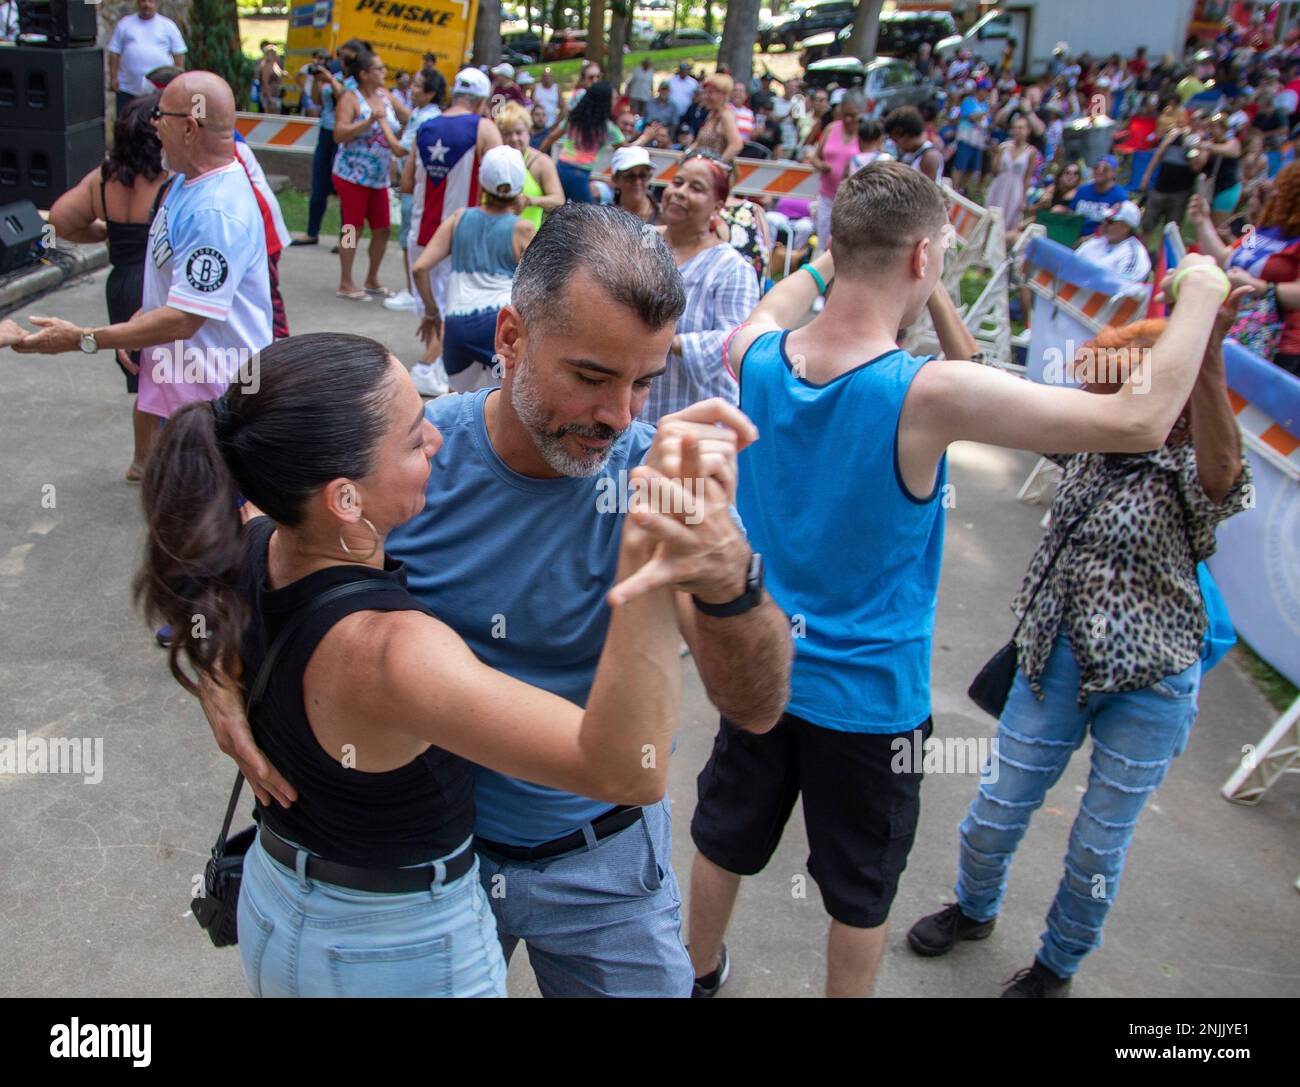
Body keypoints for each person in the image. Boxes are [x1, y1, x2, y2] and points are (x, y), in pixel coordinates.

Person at [195, 204, 793, 999]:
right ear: (510, 337)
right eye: (591, 376)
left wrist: (730, 579)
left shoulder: (660, 484)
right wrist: (213, 669)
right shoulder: (408, 460)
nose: (620, 416)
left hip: (604, 864)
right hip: (435, 874)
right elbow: (252, 538)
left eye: (644, 381)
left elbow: (756, 708)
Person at [685, 160, 1235, 999]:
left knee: (724, 837)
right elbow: (1138, 418)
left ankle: (696, 975)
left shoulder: (759, 357)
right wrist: (1200, 288)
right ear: (922, 258)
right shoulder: (924, 393)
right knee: (859, 893)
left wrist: (830, 259)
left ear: (838, 246)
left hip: (761, 674)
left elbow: (771, 308)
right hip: (869, 704)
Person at [135, 333, 692, 997]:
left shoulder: (256, 540)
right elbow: (629, 766)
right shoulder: (395, 656)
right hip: (394, 953)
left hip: (281, 899)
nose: (437, 439)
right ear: (345, 499)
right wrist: (657, 565)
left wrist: (215, 674)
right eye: (411, 436)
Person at [907, 306, 1250, 998]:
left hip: (1152, 679)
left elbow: (1223, 475)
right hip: (1054, 658)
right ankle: (974, 908)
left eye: (1123, 391)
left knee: (1097, 843)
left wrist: (1207, 352)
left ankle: (1056, 965)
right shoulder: (1089, 440)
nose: (1104, 403)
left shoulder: (1190, 459)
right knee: (993, 812)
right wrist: (939, 294)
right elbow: (981, 387)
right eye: (1102, 391)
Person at [9, 72, 271, 428]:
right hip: (186, 399)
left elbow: (184, 319)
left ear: (190, 128)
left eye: (161, 116)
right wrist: (142, 317)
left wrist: (82, 339)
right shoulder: (183, 181)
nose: (154, 124)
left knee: (200, 486)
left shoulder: (215, 212)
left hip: (213, 408)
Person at [47, 94, 171, 482]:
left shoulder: (105, 177)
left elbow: (59, 220)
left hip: (120, 280)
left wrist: (109, 233)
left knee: (144, 375)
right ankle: (149, 461)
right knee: (164, 374)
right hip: (154, 283)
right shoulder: (172, 178)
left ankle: (141, 459)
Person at [401, 66, 501, 397]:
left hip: (421, 232)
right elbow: (501, 184)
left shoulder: (425, 127)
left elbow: (404, 182)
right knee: (456, 314)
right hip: (462, 237)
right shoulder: (484, 128)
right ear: (481, 101)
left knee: (432, 311)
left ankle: (435, 368)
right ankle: (427, 368)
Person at [642, 152, 758, 422]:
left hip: (695, 422)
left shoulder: (731, 268)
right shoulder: (643, 242)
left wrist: (666, 342)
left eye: (695, 188)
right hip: (635, 418)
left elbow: (734, 342)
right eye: (677, 182)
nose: (680, 193)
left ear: (717, 206)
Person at [412, 146, 537, 393]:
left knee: (455, 401)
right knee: (503, 404)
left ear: (481, 184)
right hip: (499, 326)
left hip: (458, 326)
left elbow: (419, 268)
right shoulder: (523, 229)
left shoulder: (459, 219)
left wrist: (432, 313)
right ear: (520, 189)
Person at [1189, 162, 1300, 376]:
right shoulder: (1266, 229)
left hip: (1278, 347)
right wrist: (1202, 221)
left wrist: (1256, 286)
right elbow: (1225, 259)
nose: (1275, 192)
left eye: (1285, 190)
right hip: (1231, 331)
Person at [330, 50, 405, 301]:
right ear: (364, 74)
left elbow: (406, 116)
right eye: (379, 69)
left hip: (379, 178)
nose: (384, 73)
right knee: (352, 227)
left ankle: (372, 278)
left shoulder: (385, 96)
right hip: (352, 175)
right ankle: (345, 280)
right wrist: (368, 122)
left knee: (382, 228)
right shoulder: (351, 98)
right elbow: (339, 133)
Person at [293, 38, 367, 247]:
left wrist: (331, 81)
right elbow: (317, 101)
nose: (340, 61)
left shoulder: (359, 83)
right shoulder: (333, 75)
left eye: (346, 57)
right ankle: (311, 232)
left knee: (347, 193)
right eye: (339, 55)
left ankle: (346, 242)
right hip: (326, 133)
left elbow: (345, 99)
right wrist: (315, 81)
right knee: (318, 185)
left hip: (346, 140)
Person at [384, 66, 445, 314]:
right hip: (411, 187)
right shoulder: (420, 113)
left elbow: (401, 149)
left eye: (418, 86)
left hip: (415, 188)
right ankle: (414, 290)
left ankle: (413, 292)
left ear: (430, 93)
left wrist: (381, 122)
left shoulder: (426, 119)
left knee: (409, 237)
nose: (413, 89)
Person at [543, 81, 623, 204]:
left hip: (561, 168)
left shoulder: (573, 119)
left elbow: (551, 137)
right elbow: (626, 148)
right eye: (615, 98)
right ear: (605, 102)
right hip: (580, 174)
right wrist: (645, 137)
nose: (616, 101)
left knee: (555, 208)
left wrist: (538, 156)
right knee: (586, 217)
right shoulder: (608, 128)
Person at [809, 90, 866, 253]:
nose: (848, 119)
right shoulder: (831, 128)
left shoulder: (865, 133)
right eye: (845, 114)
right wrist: (821, 165)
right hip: (827, 196)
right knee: (823, 243)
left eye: (853, 115)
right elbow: (815, 157)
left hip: (853, 199)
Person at [107, 0, 187, 117]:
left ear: (156, 3)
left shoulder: (168, 26)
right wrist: (113, 78)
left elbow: (179, 52)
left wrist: (177, 79)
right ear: (137, 3)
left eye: (150, 1)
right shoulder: (124, 24)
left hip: (158, 90)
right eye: (143, 1)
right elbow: (114, 52)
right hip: (128, 88)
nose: (146, 4)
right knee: (125, 124)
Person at [494, 102, 563, 229]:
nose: (514, 138)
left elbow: (558, 200)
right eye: (507, 133)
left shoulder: (541, 162)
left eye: (519, 132)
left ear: (529, 132)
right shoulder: (494, 160)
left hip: (528, 239)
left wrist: (530, 201)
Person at [1139, 117, 1200, 242]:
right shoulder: (1175, 136)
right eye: (1195, 120)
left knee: (1171, 232)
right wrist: (1146, 176)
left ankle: (1163, 260)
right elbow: (1158, 155)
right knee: (1147, 226)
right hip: (1159, 188)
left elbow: (1196, 167)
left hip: (1180, 193)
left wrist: (1193, 148)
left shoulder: (1202, 142)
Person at [985, 115, 1041, 237]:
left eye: (1021, 128)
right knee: (991, 214)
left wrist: (1023, 198)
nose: (1017, 131)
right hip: (999, 184)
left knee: (1008, 218)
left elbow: (1027, 177)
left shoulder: (1031, 152)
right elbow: (994, 171)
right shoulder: (1004, 146)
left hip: (1015, 188)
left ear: (1027, 131)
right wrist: (995, 154)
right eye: (1015, 128)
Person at [1075, 201, 1152, 281]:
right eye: (1104, 219)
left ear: (1126, 227)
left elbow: (1124, 287)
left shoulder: (1133, 254)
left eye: (1110, 221)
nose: (1104, 224)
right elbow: (1071, 265)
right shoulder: (1095, 242)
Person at [1197, 112, 1245, 227]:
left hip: (1227, 187)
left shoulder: (1233, 143)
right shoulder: (1208, 143)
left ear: (1224, 128)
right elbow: (1199, 164)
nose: (1211, 130)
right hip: (1211, 187)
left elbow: (1228, 150)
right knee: (1204, 221)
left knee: (1218, 225)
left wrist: (1205, 146)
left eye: (1214, 127)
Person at [686, 75, 744, 163]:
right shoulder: (711, 115)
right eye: (704, 92)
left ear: (723, 94)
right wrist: (686, 154)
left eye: (710, 93)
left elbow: (736, 144)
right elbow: (698, 143)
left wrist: (717, 165)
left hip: (716, 174)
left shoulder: (726, 115)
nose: (705, 97)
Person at [1070, 154, 1128, 237]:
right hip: (1075, 235)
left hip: (1100, 240)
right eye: (1096, 167)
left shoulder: (1120, 197)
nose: (1099, 171)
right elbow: (1071, 214)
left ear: (1114, 173)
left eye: (1105, 169)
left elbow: (1117, 228)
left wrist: (1089, 239)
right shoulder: (1082, 190)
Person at [951, 80, 993, 195]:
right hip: (966, 138)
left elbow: (988, 123)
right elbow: (971, 117)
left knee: (972, 168)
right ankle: (954, 188)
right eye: (985, 91)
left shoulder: (984, 105)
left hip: (978, 141)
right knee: (960, 165)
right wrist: (986, 112)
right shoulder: (968, 102)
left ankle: (961, 188)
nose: (986, 94)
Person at [885, 105, 944, 183]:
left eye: (896, 141)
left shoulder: (929, 157)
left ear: (902, 134)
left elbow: (928, 192)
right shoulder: (907, 152)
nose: (897, 146)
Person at [610, 145, 659, 224]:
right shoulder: (606, 219)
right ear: (615, 180)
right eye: (629, 176)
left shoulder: (664, 217)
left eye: (643, 175)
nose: (637, 182)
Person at [257, 42, 284, 115]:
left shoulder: (275, 65)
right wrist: (270, 98)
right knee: (270, 116)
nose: (276, 55)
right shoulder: (266, 66)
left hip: (276, 95)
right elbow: (265, 82)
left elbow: (279, 76)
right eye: (274, 53)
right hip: (269, 96)